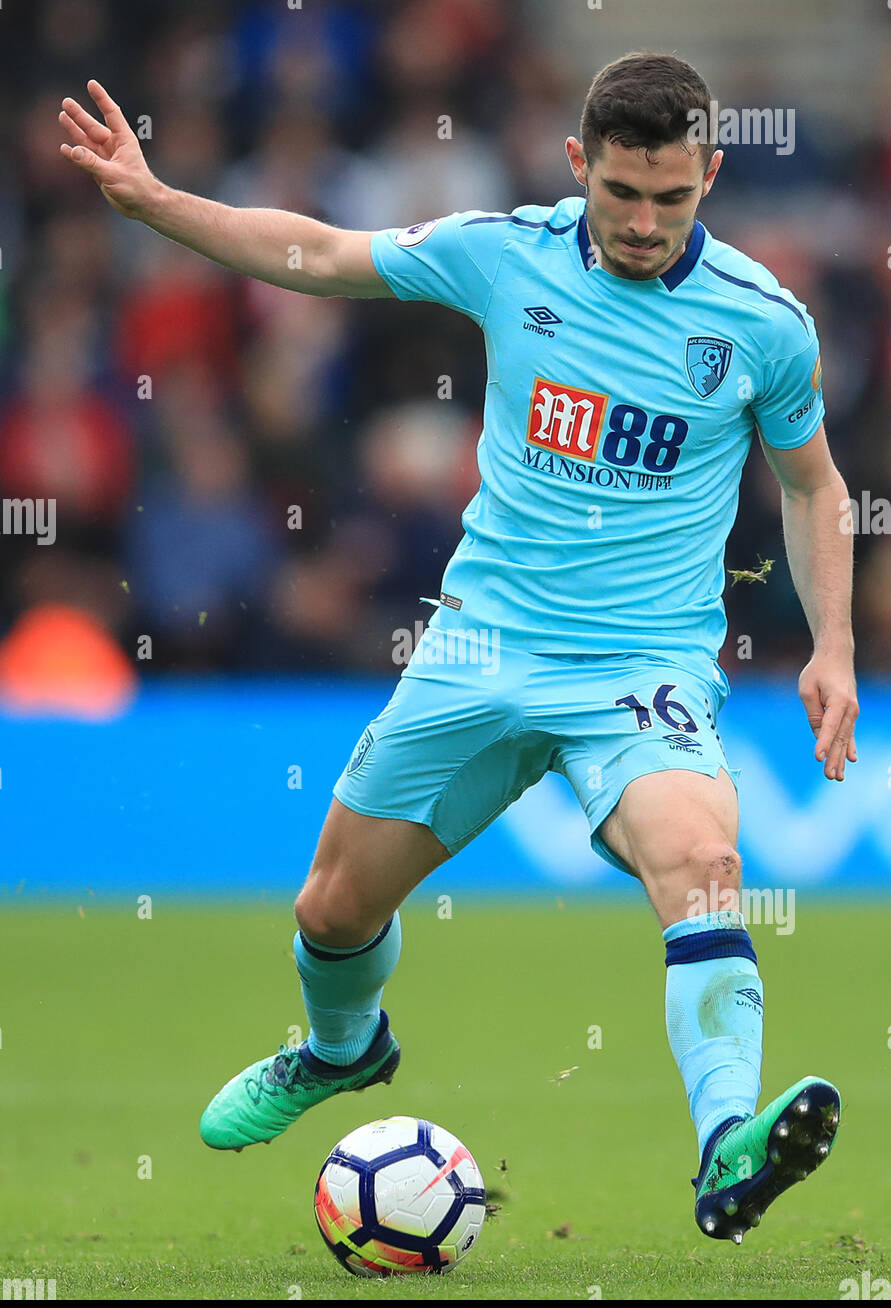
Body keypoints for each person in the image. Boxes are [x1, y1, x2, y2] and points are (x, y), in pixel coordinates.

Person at [60, 52, 858, 1243]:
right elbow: (324, 255)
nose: (645, 224)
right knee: (331, 909)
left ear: (712, 175)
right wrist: (159, 202)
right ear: (579, 164)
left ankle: (726, 1149)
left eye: (673, 198)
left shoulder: (762, 323)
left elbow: (813, 487)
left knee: (702, 860)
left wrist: (832, 641)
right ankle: (343, 1050)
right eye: (622, 193)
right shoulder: (505, 253)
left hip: (642, 668)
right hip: (480, 648)